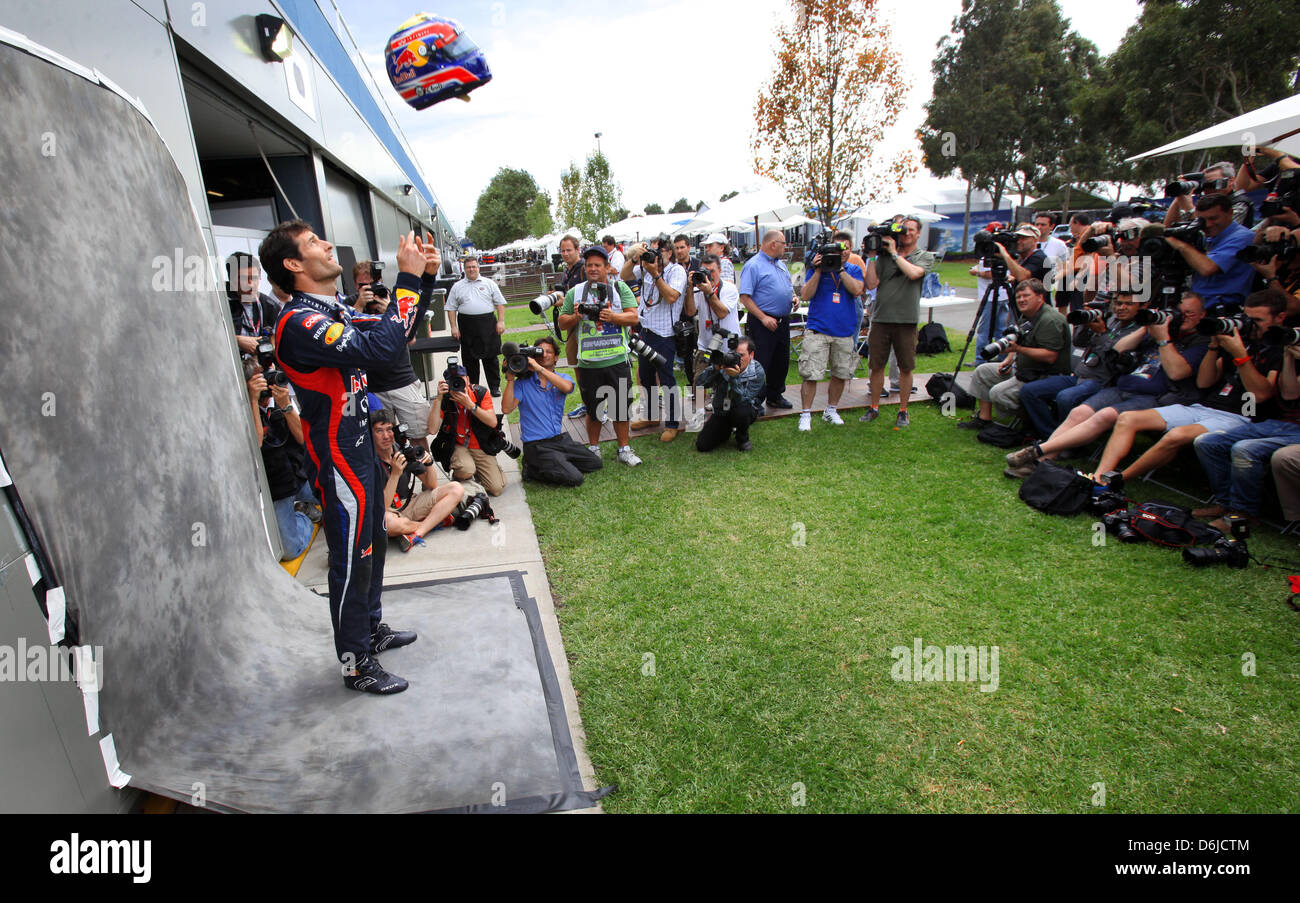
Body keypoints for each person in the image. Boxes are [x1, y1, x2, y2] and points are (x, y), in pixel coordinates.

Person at [261, 221, 422, 695]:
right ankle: (356, 665)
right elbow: (380, 347)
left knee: (370, 542)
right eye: (313, 242)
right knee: (352, 557)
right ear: (294, 265)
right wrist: (407, 281)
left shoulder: (330, 311)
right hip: (337, 457)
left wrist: (424, 277)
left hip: (361, 450)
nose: (327, 245)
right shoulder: (299, 321)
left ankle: (370, 629)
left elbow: (398, 338)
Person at [1090, 289, 1287, 485]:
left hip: (1243, 415)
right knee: (1127, 419)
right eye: (1248, 319)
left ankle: (1116, 481)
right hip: (1205, 408)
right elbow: (1204, 382)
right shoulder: (1240, 342)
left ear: (1280, 318)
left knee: (1176, 435)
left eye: (1258, 321)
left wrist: (1241, 356)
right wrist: (1214, 346)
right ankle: (1099, 475)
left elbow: (1260, 395)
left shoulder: (1278, 351)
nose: (1251, 325)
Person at [1003, 294, 1210, 477]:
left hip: (1153, 397)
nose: (1182, 317)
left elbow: (1177, 372)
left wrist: (1164, 339)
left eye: (1189, 313)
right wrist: (1148, 326)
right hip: (1122, 388)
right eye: (1179, 313)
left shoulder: (1200, 341)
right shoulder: (1155, 330)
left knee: (1103, 416)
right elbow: (1119, 349)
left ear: (1202, 315)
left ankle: (1038, 452)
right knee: (1078, 412)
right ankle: (1041, 461)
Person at [1193, 342, 1300, 530]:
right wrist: (1289, 357)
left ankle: (1243, 514)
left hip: (1292, 432)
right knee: (1208, 442)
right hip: (1282, 424)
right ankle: (1226, 505)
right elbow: (1290, 393)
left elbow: (1259, 395)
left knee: (1245, 449)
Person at [1016, 291, 1146, 440]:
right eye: (1118, 303)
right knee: (1029, 391)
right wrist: (1085, 324)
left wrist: (1102, 332)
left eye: (1128, 304)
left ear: (1142, 306)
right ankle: (1052, 436)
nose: (1121, 308)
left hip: (1103, 381)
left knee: (1065, 397)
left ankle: (1067, 441)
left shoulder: (1138, 331)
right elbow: (1079, 342)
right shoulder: (1111, 320)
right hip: (1080, 376)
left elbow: (1113, 356)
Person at [350, 245, 443, 448]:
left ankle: (427, 476)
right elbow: (346, 336)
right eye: (363, 285)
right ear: (355, 285)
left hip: (402, 380)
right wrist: (358, 306)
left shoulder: (392, 301)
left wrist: (390, 315)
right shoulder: (349, 306)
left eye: (373, 284)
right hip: (372, 387)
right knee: (383, 444)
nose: (370, 290)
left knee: (418, 437)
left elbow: (410, 338)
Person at [558, 246, 643, 466]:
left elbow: (633, 318)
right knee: (593, 408)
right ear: (584, 268)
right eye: (589, 265)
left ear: (607, 267)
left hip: (617, 359)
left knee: (620, 408)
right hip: (588, 362)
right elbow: (562, 322)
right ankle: (594, 448)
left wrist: (613, 317)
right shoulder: (574, 292)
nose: (593, 269)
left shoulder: (619, 287)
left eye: (597, 265)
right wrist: (576, 316)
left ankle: (623, 448)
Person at [960, 279, 1071, 431]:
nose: (1021, 300)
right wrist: (1009, 358)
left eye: (1026, 296)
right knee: (983, 371)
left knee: (998, 393)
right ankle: (984, 419)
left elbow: (1050, 356)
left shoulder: (1049, 320)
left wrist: (1018, 349)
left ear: (1040, 297)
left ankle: (1032, 421)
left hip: (1045, 376)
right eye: (1018, 297)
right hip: (1024, 369)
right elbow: (1020, 339)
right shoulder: (1028, 315)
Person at [244, 359, 321, 561]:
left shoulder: (280, 399)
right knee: (289, 550)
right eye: (257, 381)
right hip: (277, 487)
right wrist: (252, 400)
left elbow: (303, 438)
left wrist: (286, 406)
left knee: (340, 498)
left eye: (264, 377)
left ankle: (303, 508)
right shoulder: (244, 408)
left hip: (299, 475)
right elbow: (257, 442)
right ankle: (301, 517)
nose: (265, 385)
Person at [861, 216, 934, 427]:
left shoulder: (924, 256)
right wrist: (873, 256)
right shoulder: (882, 257)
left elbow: (914, 274)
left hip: (906, 321)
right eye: (904, 231)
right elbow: (872, 283)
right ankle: (874, 407)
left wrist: (894, 254)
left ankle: (903, 410)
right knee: (876, 366)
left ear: (919, 233)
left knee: (905, 367)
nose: (907, 234)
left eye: (911, 230)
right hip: (881, 318)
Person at [502, 336, 603, 486]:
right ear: (534, 356)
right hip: (536, 445)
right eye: (541, 351)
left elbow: (567, 388)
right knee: (575, 478)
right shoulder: (522, 383)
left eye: (549, 352)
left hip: (560, 440)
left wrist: (539, 368)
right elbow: (506, 408)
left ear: (556, 357)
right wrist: (510, 379)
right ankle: (532, 468)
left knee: (595, 463)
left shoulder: (562, 378)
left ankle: (555, 462)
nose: (544, 354)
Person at [622, 239, 687, 441]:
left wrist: (655, 274)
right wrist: (635, 259)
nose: (655, 254)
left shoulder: (676, 271)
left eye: (659, 251)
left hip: (665, 334)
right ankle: (651, 417)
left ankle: (672, 424)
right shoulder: (646, 266)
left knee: (667, 380)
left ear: (669, 252)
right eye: (652, 250)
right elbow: (624, 276)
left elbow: (671, 297)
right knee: (646, 376)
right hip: (646, 331)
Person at [796, 239, 864, 430]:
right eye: (836, 249)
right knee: (810, 374)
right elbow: (806, 295)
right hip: (818, 329)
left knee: (840, 373)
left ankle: (831, 410)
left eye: (845, 249)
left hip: (844, 331)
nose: (841, 252)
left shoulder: (853, 269)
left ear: (850, 251)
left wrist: (840, 270)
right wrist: (819, 270)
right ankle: (806, 414)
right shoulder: (818, 268)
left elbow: (857, 290)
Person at [372, 410, 463, 550]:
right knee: (385, 522)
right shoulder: (367, 461)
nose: (386, 436)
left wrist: (429, 463)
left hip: (407, 503)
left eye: (389, 430)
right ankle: (433, 522)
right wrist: (395, 474)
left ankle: (416, 532)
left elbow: (432, 484)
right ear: (371, 435)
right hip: (386, 510)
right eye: (379, 431)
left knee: (456, 488)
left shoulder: (401, 450)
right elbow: (382, 506)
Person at [428, 363, 507, 496]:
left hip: (480, 446)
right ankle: (462, 477)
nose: (457, 383)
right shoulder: (445, 398)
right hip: (458, 446)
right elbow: (432, 429)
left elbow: (493, 422)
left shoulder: (480, 393)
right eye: (453, 381)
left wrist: (470, 405)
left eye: (461, 379)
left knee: (496, 489)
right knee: (466, 469)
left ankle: (482, 475)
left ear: (468, 380)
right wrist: (438, 399)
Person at [739, 230, 797, 411]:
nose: (785, 247)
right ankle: (755, 400)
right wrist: (763, 317)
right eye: (783, 243)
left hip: (782, 320)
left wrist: (793, 297)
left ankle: (775, 395)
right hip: (762, 321)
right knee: (761, 362)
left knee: (781, 360)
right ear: (773, 244)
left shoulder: (781, 265)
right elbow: (745, 297)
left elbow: (787, 287)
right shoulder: (753, 265)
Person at [1170, 194, 1256, 311]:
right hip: (1196, 306)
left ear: (1230, 213)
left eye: (1214, 218)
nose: (1208, 224)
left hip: (1222, 309)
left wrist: (1181, 245)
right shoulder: (1208, 237)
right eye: (1202, 220)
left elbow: (1207, 268)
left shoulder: (1243, 237)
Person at [446, 254, 508, 396]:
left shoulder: (489, 283)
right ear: (465, 269)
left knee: (491, 358)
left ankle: (494, 387)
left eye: (474, 266)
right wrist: (454, 327)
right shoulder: (457, 287)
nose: (471, 269)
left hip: (488, 324)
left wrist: (501, 321)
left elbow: (500, 303)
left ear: (478, 267)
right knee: (470, 360)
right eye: (468, 267)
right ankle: (473, 388)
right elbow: (451, 308)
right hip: (467, 325)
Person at [696, 336, 765, 452]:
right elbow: (700, 384)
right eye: (734, 354)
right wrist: (715, 369)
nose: (737, 358)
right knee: (703, 445)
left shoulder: (757, 371)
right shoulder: (725, 363)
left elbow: (744, 399)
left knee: (742, 412)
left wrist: (734, 378)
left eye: (741, 355)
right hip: (721, 410)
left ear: (751, 355)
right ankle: (726, 431)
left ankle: (742, 438)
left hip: (743, 409)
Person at [227, 252, 280, 359]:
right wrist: (236, 340)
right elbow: (206, 337)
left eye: (254, 277)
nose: (250, 284)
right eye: (244, 279)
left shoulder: (271, 307)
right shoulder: (220, 302)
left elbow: (275, 344)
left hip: (259, 369)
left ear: (260, 274)